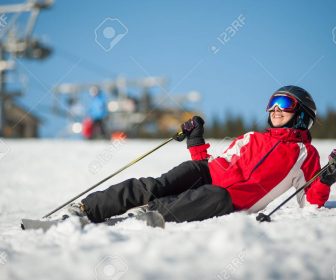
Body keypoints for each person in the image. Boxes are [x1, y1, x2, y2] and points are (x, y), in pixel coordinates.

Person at [69, 85, 336, 224]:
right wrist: (196, 139)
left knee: (214, 194)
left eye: (285, 104)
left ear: (301, 114)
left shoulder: (306, 155)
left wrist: (327, 177)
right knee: (159, 184)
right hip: (209, 174)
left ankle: (145, 216)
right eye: (272, 103)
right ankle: (87, 208)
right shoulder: (253, 138)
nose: (276, 109)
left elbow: (310, 201)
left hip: (229, 200)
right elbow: (212, 164)